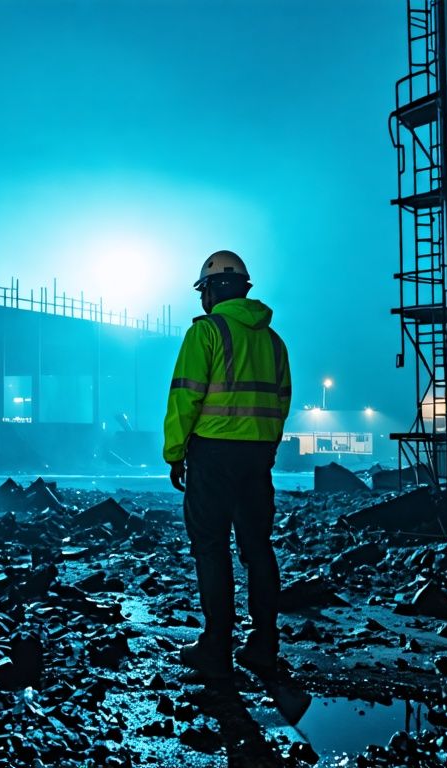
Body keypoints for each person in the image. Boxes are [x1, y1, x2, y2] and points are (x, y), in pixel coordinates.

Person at [163, 250, 292, 680]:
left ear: (214, 290)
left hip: (213, 453)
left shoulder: (206, 333)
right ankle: (263, 644)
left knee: (211, 547)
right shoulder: (273, 342)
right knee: (258, 548)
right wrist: (267, 447)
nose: (202, 300)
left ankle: (216, 644)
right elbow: (281, 402)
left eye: (203, 291)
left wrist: (175, 453)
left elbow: (186, 396)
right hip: (257, 458)